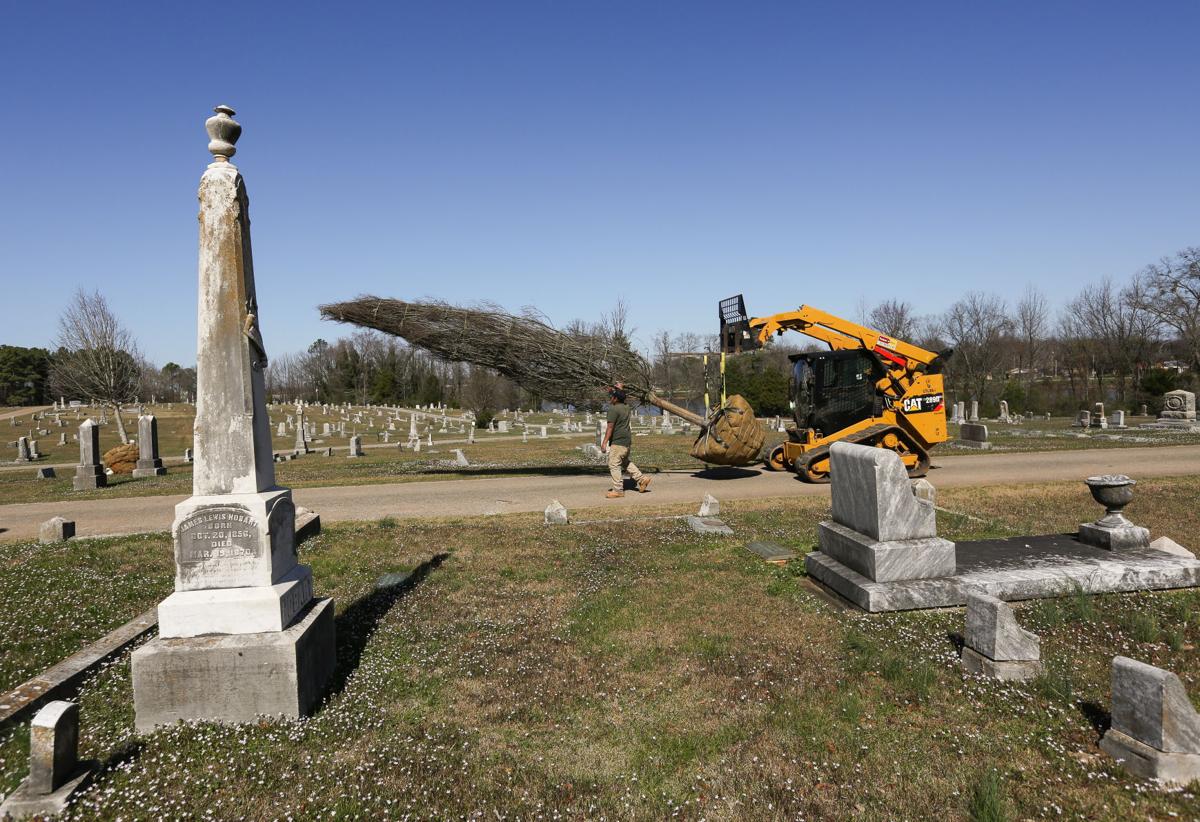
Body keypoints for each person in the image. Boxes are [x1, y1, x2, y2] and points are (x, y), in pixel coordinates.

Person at [601, 388, 650, 498]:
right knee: (625, 462)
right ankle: (642, 479)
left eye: (612, 396)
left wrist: (604, 443)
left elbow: (610, 427)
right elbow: (622, 397)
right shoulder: (626, 407)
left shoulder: (613, 409)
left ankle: (618, 490)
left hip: (618, 441)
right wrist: (619, 389)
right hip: (626, 441)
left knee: (613, 464)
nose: (610, 398)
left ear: (615, 398)